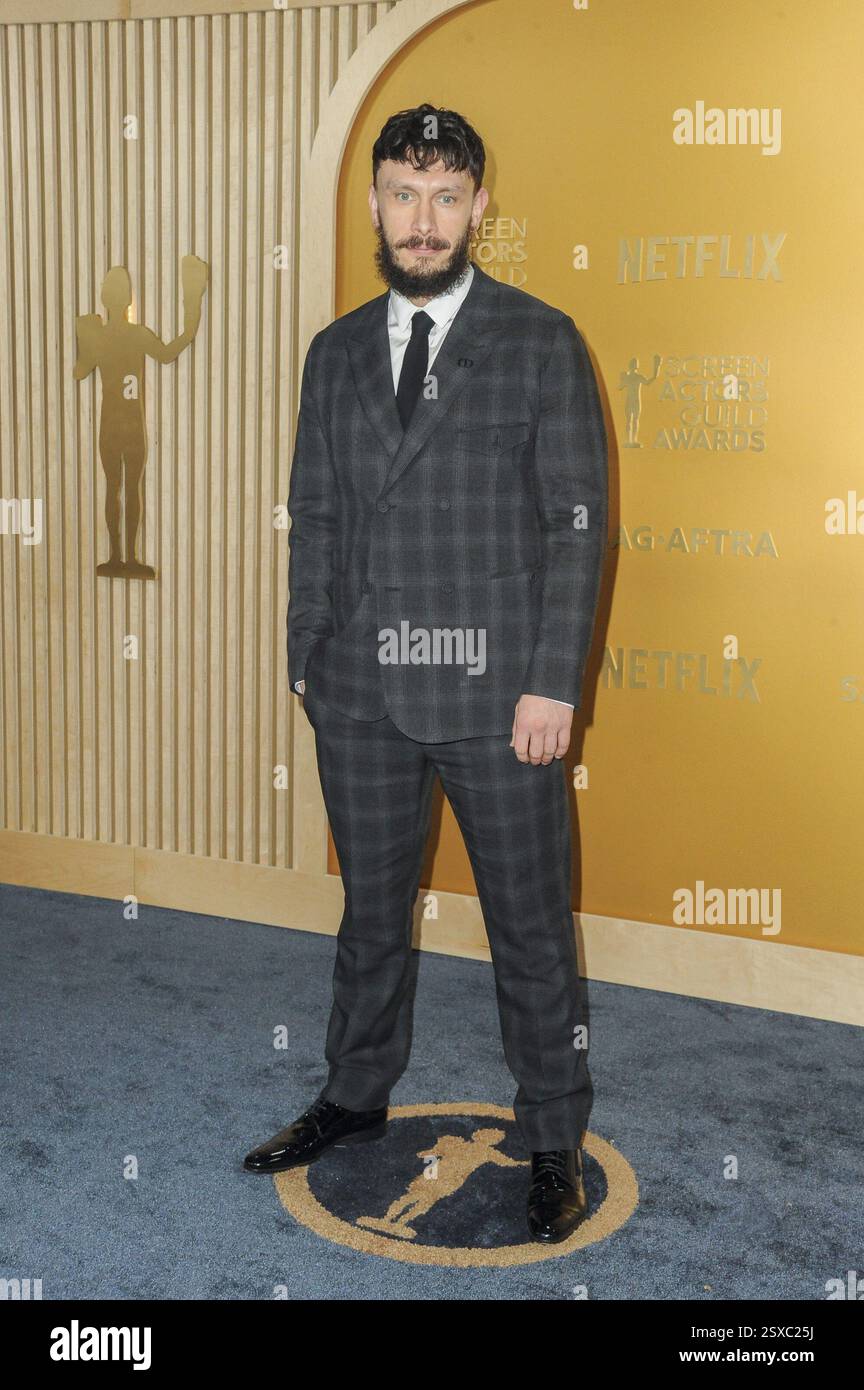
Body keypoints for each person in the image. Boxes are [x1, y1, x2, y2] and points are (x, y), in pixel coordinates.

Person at [244, 104, 608, 1244]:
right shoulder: (335, 348)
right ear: (375, 204)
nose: (423, 218)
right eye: (404, 193)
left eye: (447, 196)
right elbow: (314, 513)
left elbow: (577, 528)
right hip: (360, 693)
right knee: (368, 914)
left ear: (479, 209)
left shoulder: (541, 338)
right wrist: (310, 649)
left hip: (502, 701)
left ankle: (550, 1132)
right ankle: (355, 1096)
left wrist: (554, 684)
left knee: (531, 925)